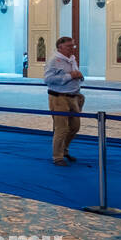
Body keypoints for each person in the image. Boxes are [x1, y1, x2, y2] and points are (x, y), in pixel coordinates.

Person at [44, 36, 84, 166]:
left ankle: (64, 150)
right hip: (59, 98)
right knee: (61, 129)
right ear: (60, 47)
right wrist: (69, 76)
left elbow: (75, 74)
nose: (72, 48)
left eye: (73, 46)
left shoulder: (72, 59)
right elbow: (48, 79)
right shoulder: (53, 61)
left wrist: (78, 75)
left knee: (75, 127)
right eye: (69, 46)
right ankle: (58, 157)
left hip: (73, 96)